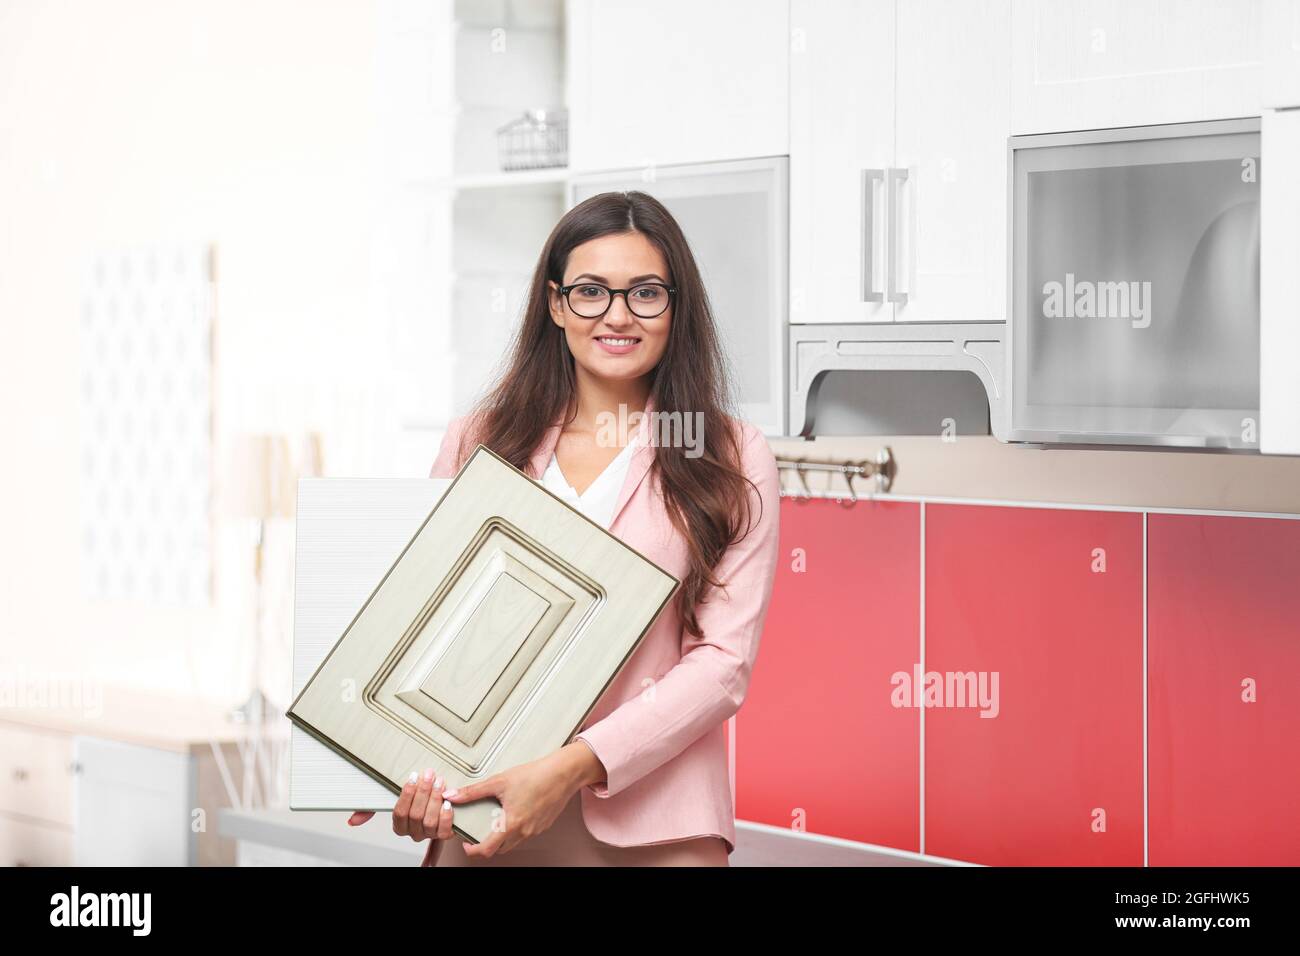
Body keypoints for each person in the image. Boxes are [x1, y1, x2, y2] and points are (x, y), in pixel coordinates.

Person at [348, 190, 780, 866]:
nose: (617, 315)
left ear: (676, 307)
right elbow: (422, 627)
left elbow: (722, 667)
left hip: (654, 830)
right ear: (555, 304)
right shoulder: (479, 440)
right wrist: (387, 769)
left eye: (645, 293)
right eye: (590, 291)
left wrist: (573, 766)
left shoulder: (729, 452)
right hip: (482, 818)